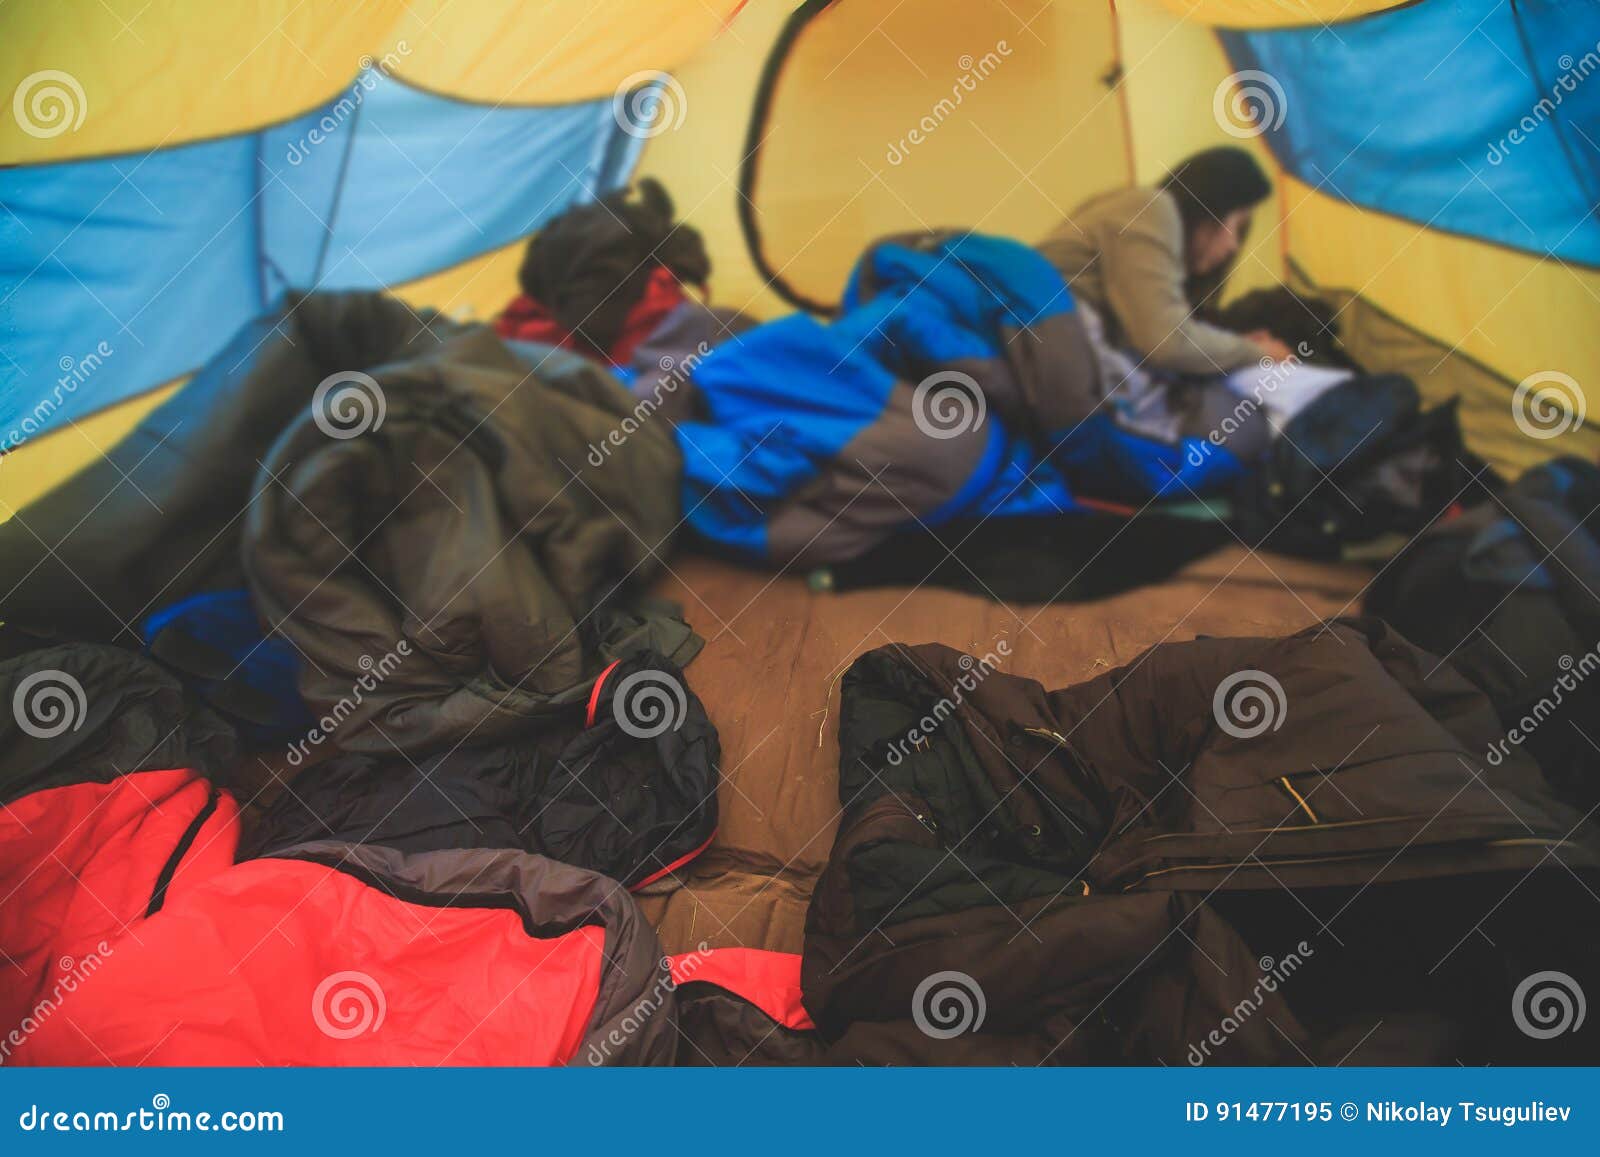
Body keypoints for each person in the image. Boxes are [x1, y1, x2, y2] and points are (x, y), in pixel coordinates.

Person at [1038, 146, 1291, 373]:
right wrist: (1259, 353)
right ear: (1212, 208)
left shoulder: (1134, 207)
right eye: (1238, 224)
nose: (1234, 244)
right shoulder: (1152, 209)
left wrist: (1235, 347)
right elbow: (1167, 343)